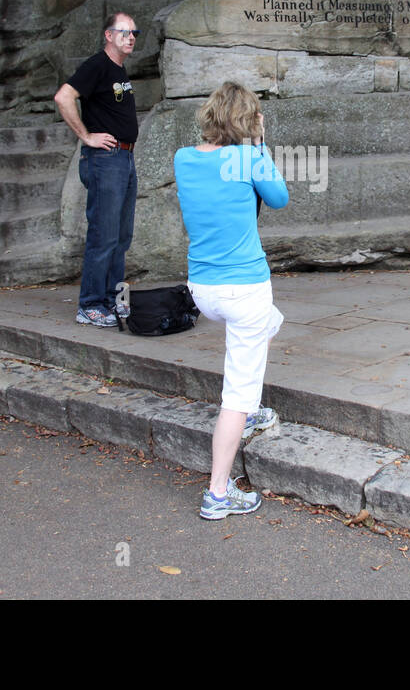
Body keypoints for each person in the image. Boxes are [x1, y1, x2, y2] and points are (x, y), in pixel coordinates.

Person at [174, 82, 289, 520]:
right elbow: (279, 198)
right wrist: (260, 145)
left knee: (269, 323)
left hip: (203, 290)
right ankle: (218, 493)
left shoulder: (184, 159)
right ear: (248, 120)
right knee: (235, 393)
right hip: (245, 288)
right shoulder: (248, 158)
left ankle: (253, 408)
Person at [54, 12, 139, 327]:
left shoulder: (119, 69)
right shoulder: (96, 66)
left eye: (134, 33)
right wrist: (86, 136)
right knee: (104, 235)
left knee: (122, 236)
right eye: (124, 32)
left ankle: (116, 303)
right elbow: (64, 98)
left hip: (124, 159)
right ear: (108, 35)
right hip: (105, 161)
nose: (131, 37)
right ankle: (90, 305)